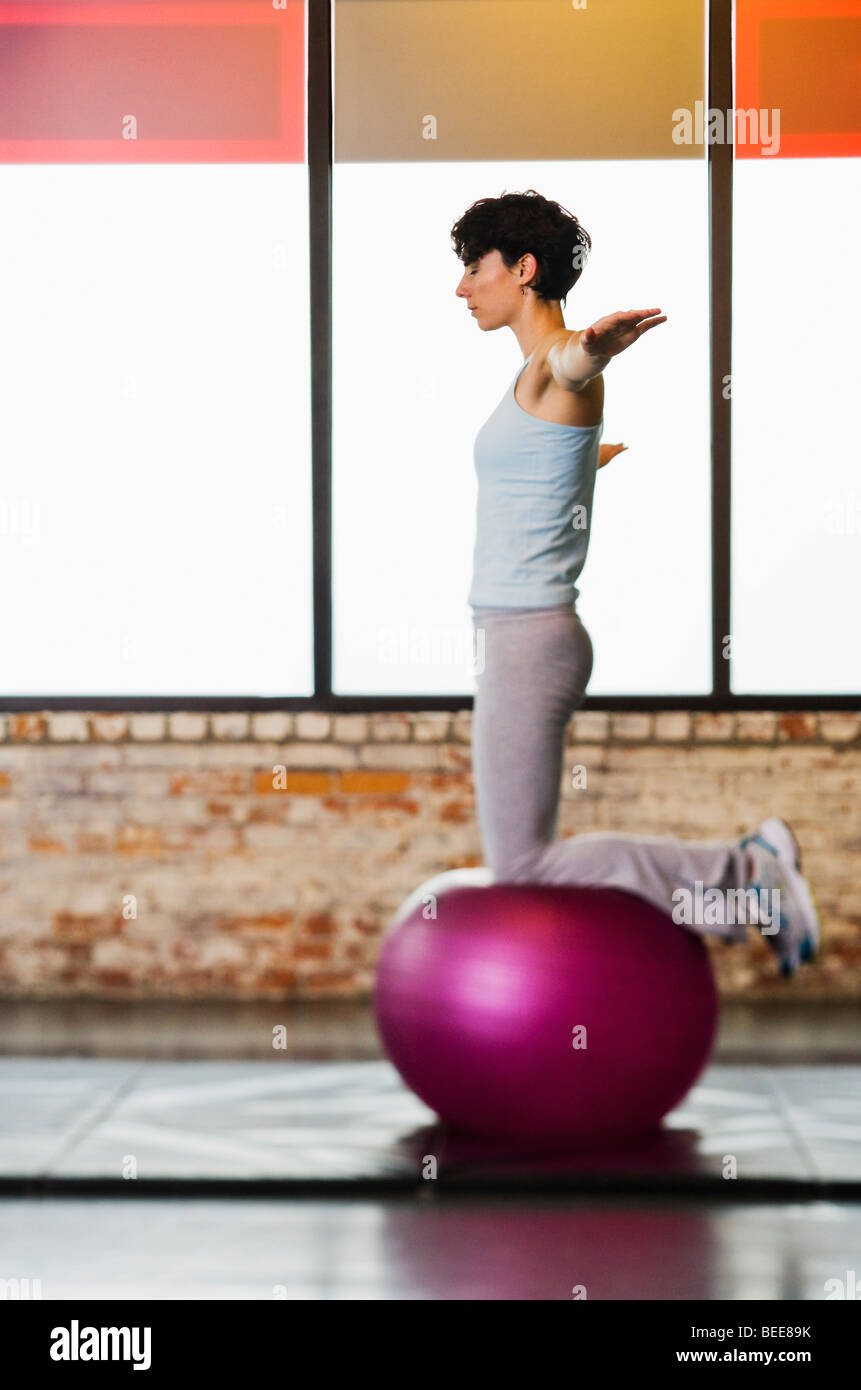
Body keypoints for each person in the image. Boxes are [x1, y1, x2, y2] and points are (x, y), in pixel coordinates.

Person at [451, 189, 819, 977]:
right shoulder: (537, 385)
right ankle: (746, 889)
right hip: (523, 637)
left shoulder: (556, 369)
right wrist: (589, 460)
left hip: (525, 637)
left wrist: (598, 345)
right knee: (526, 855)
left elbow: (571, 359)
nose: (461, 288)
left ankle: (746, 871)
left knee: (521, 863)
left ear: (521, 270)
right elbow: (550, 453)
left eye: (472, 269)